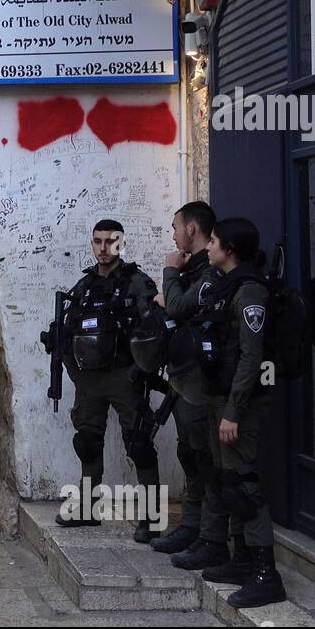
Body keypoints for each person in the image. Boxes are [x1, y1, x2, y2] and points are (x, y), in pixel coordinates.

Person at [179, 217, 286, 607]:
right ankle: (241, 559)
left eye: (215, 243)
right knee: (227, 479)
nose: (208, 247)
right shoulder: (225, 285)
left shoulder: (251, 292)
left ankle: (265, 573)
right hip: (218, 398)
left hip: (238, 405)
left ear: (231, 249)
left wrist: (234, 412)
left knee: (244, 485)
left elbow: (250, 358)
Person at [55, 219, 162, 543]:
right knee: (86, 443)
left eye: (110, 241)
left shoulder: (137, 283)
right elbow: (66, 332)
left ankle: (151, 518)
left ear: (121, 244)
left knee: (140, 445)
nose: (103, 248)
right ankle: (87, 507)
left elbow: (155, 331)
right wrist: (74, 373)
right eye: (97, 241)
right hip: (90, 379)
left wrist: (138, 372)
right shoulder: (84, 286)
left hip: (123, 375)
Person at [150, 201, 229, 558]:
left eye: (175, 227)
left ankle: (210, 538)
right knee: (190, 454)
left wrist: (168, 275)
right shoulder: (193, 268)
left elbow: (179, 306)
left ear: (192, 229)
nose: (174, 234)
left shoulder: (209, 274)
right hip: (184, 377)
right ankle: (192, 527)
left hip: (203, 381)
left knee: (206, 459)